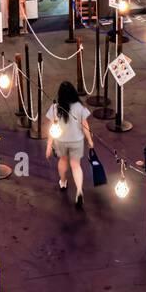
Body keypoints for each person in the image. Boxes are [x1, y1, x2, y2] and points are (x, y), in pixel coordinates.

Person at [44, 81, 94, 209]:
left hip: (61, 141)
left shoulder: (55, 108)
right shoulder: (80, 107)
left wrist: (49, 146)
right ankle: (79, 191)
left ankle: (63, 182)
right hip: (76, 140)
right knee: (76, 165)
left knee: (63, 160)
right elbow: (85, 126)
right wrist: (90, 141)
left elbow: (51, 128)